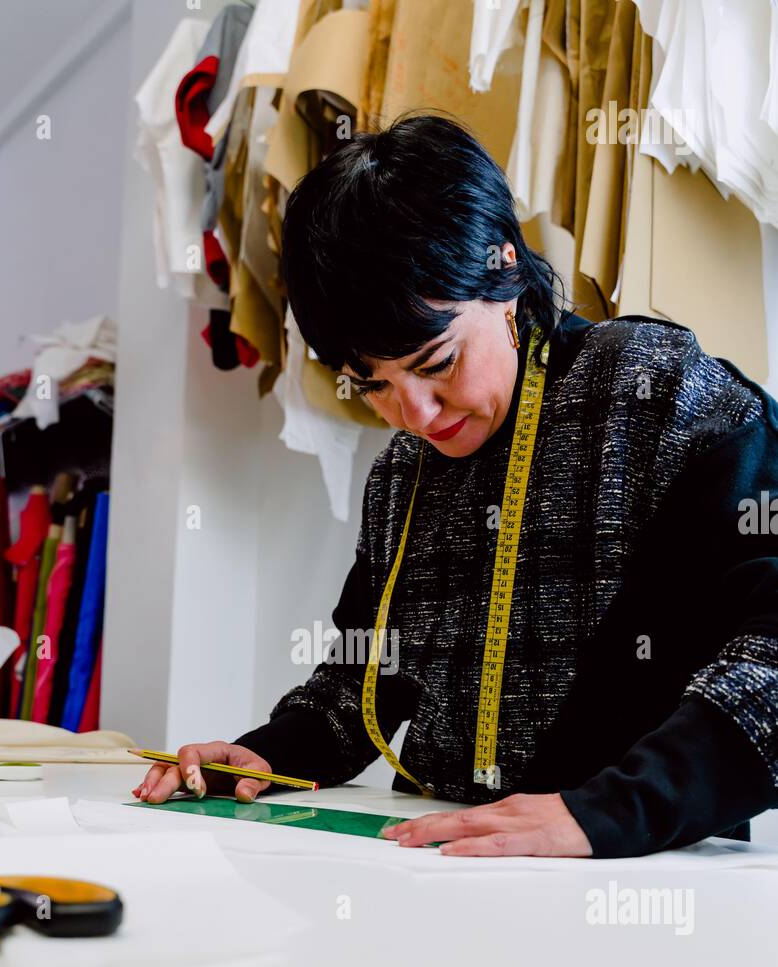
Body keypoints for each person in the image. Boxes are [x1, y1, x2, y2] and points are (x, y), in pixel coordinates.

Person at [133, 114, 778, 858]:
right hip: (442, 864)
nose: (414, 414)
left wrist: (612, 808)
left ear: (503, 271)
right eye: (372, 383)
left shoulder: (663, 395)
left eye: (437, 362)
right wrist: (273, 754)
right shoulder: (402, 475)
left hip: (640, 872)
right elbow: (362, 685)